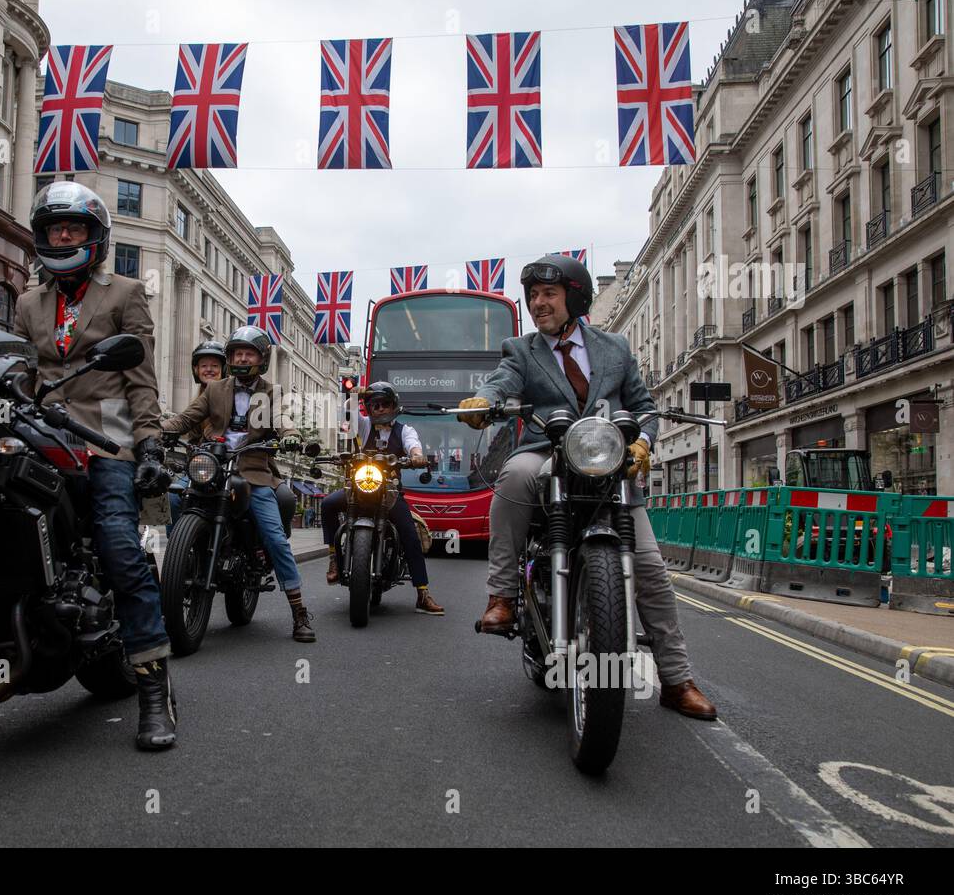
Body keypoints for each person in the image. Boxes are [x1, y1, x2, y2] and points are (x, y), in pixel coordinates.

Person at [457, 253, 717, 720]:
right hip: (547, 450)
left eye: (548, 294)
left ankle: (677, 681)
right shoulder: (521, 349)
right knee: (513, 477)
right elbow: (502, 382)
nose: (538, 303)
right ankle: (502, 596)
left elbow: (644, 406)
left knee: (652, 574)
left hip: (609, 461)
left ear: (574, 297)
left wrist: (644, 443)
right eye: (533, 295)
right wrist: (485, 399)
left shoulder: (614, 347)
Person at [12, 180, 177, 751]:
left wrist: (150, 445)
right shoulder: (28, 302)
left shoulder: (125, 293)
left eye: (74, 228)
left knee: (119, 550)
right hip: (40, 437)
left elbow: (140, 378)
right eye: (55, 228)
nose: (63, 236)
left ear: (95, 238)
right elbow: (18, 373)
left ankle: (156, 695)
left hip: (104, 442)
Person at [162, 325, 318, 643]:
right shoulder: (215, 389)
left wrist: (290, 436)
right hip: (211, 465)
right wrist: (161, 428)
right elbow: (187, 417)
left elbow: (282, 419)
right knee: (174, 497)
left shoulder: (271, 391)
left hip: (252, 470)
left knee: (275, 536)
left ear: (261, 359)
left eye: (248, 353)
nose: (242, 358)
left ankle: (299, 612)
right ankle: (187, 561)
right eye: (236, 353)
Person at [320, 382, 444, 615]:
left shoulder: (405, 430)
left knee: (409, 532)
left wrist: (416, 457)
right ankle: (334, 558)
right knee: (327, 504)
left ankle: (422, 592)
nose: (379, 409)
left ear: (394, 405)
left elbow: (413, 447)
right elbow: (350, 416)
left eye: (384, 404)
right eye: (374, 405)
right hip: (358, 489)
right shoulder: (364, 426)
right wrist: (354, 397)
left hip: (389, 492)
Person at [168, 342, 227, 529]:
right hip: (200, 467)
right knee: (173, 497)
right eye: (204, 366)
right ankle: (178, 552)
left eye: (215, 366)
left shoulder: (233, 394)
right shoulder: (197, 400)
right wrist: (156, 430)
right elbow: (182, 421)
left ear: (223, 369)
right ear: (196, 369)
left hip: (229, 467)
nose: (209, 370)